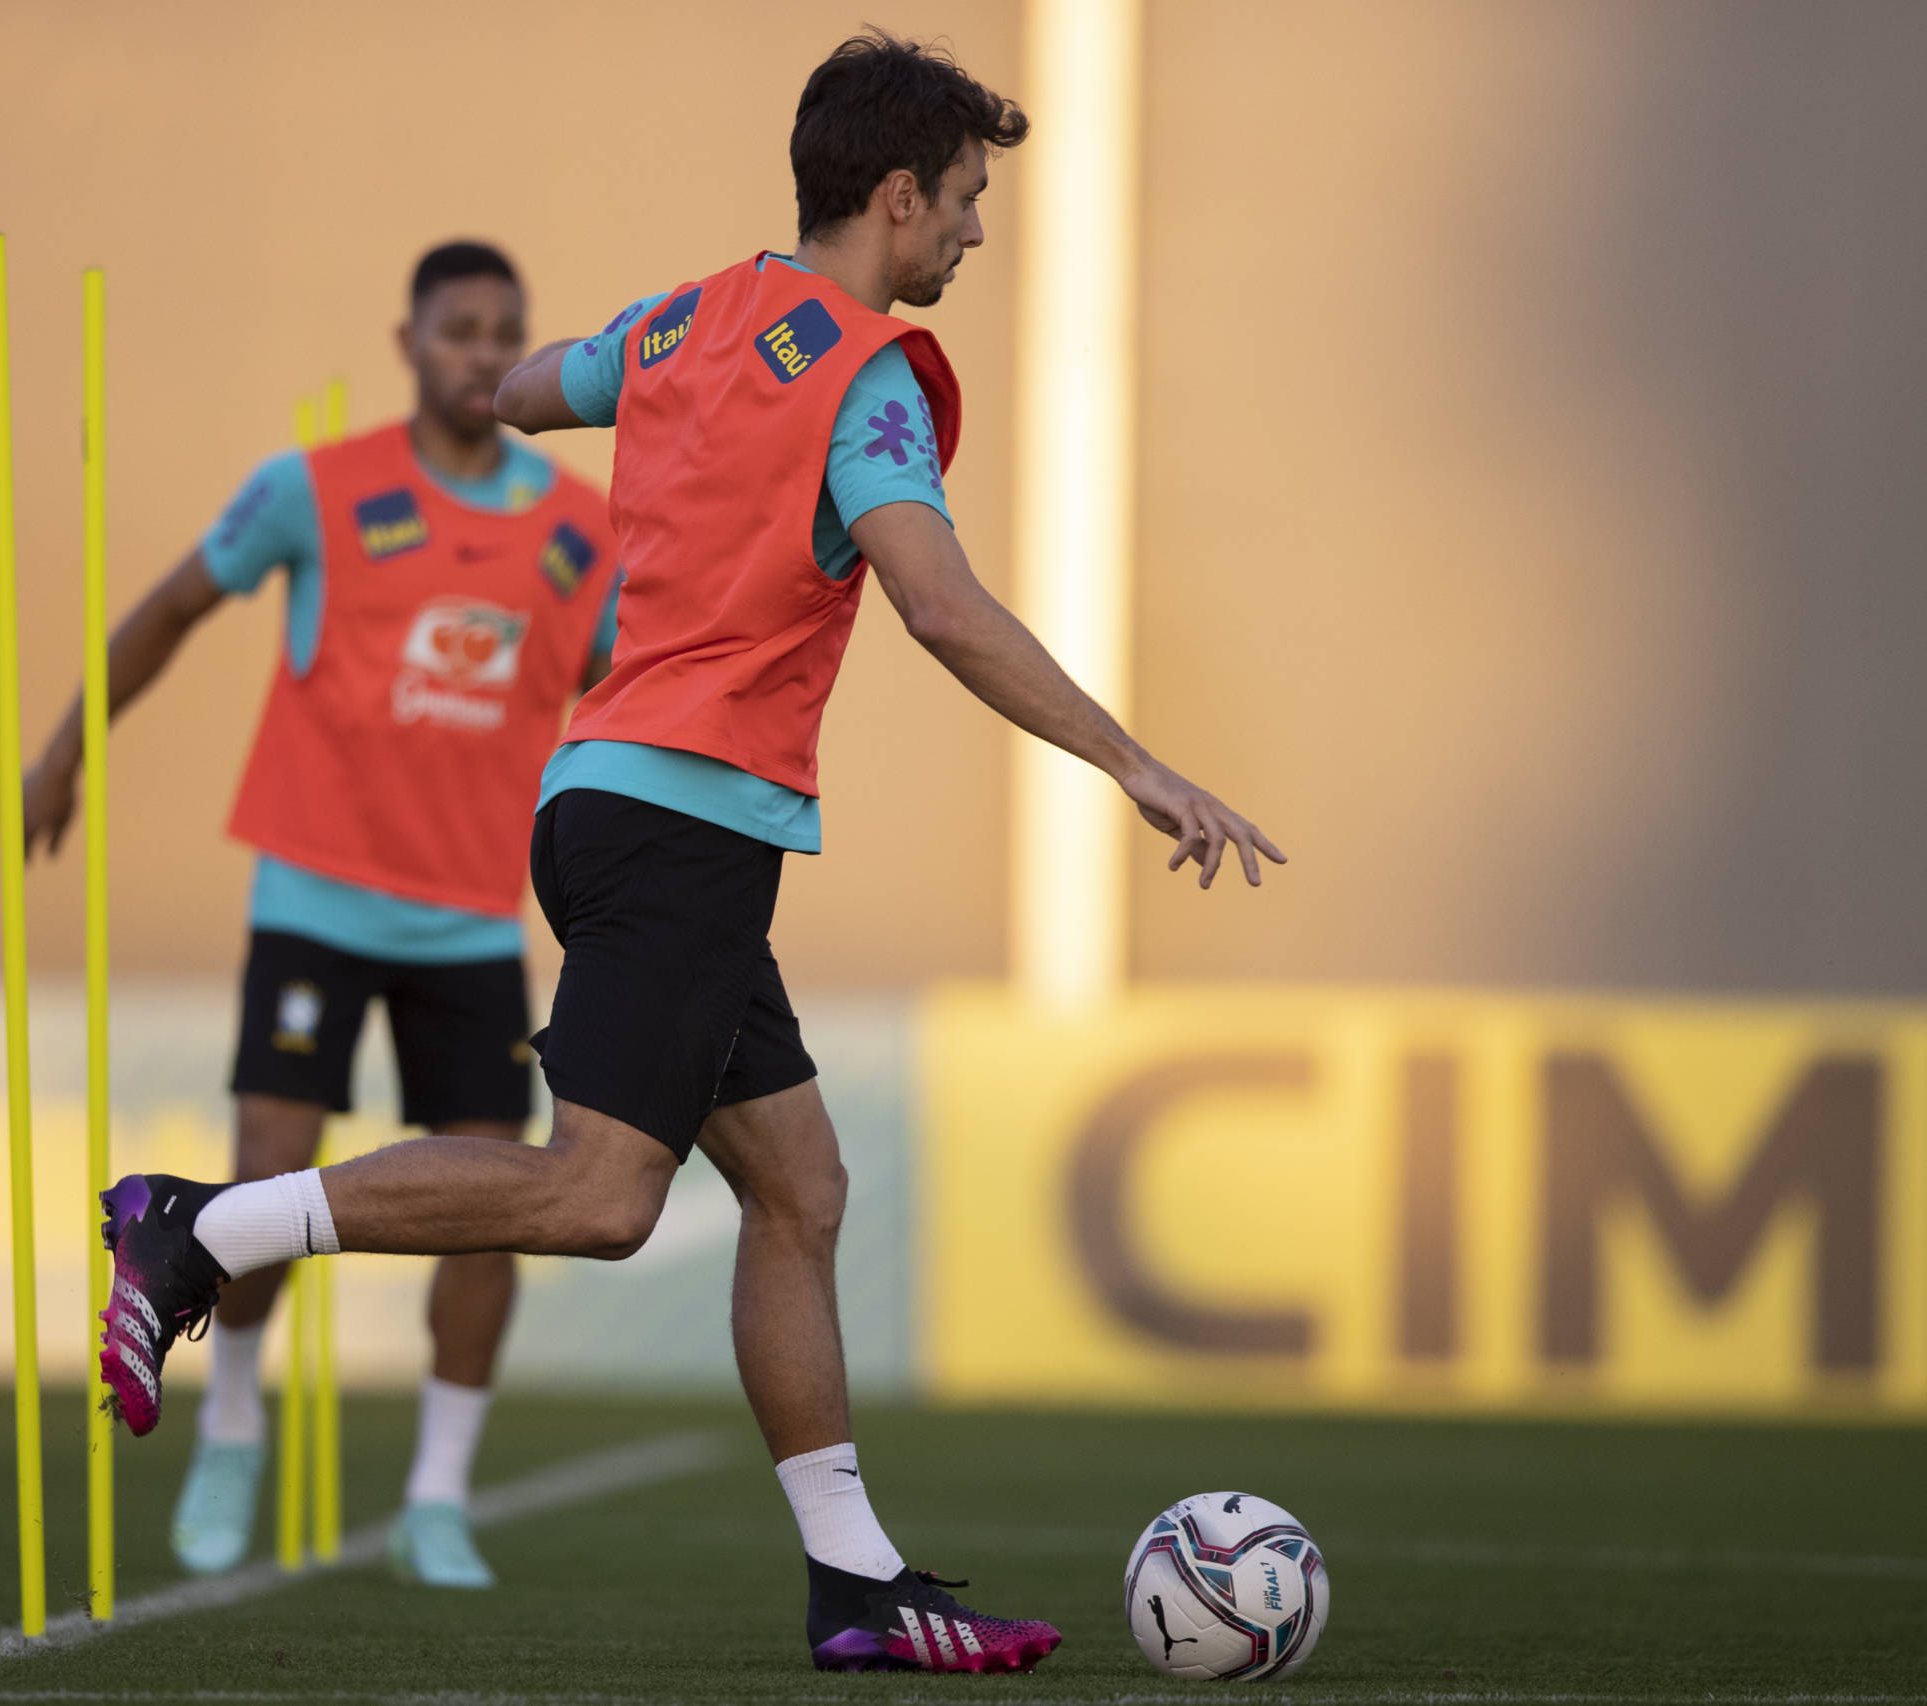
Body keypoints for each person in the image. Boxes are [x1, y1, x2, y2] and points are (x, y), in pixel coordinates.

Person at [93, 33, 1284, 1672]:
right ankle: (199, 1227)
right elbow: (939, 605)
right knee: (598, 1197)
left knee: (799, 1186)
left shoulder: (681, 320)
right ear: (895, 195)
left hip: (609, 799)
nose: (973, 231)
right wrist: (1132, 763)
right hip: (683, 820)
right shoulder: (867, 375)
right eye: (965, 198)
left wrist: (596, 395)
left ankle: (856, 1584)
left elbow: (524, 390)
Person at [24, 240, 622, 1589]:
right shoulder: (314, 487)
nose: (482, 352)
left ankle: (437, 1496)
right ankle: (233, 1423)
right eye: (458, 328)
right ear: (408, 343)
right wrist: (67, 747)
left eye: (506, 332)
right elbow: (174, 606)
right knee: (270, 1171)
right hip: (315, 890)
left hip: (473, 916)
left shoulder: (583, 531)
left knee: (496, 1203)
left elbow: (634, 687)